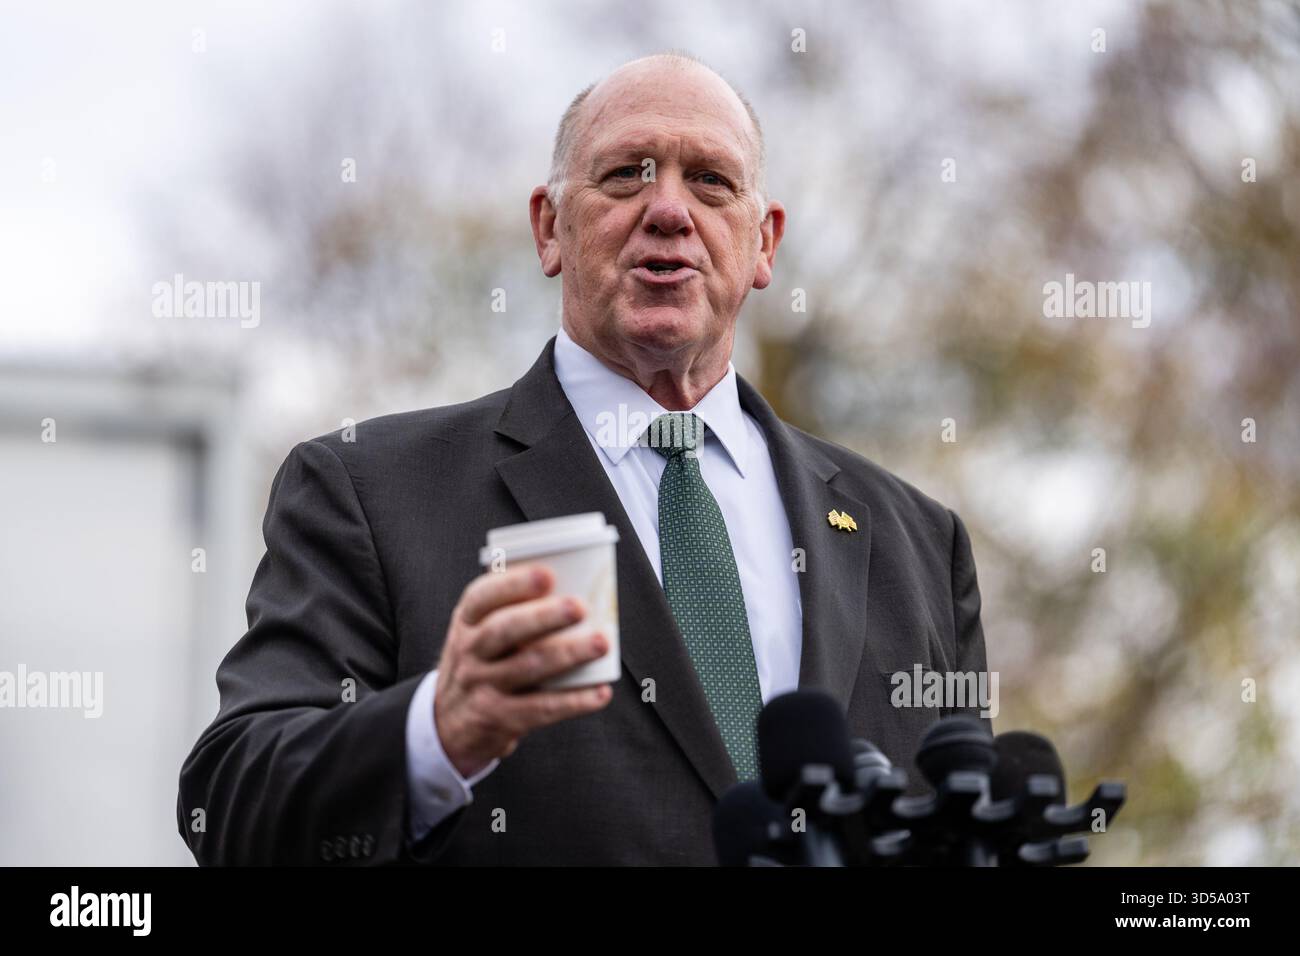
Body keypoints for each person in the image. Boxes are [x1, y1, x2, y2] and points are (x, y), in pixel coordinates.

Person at [177, 52, 991, 866]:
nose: (669, 210)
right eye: (627, 175)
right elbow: (231, 807)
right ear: (548, 228)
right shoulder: (371, 493)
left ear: (763, 243)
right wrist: (437, 732)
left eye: (710, 180)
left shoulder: (916, 542)